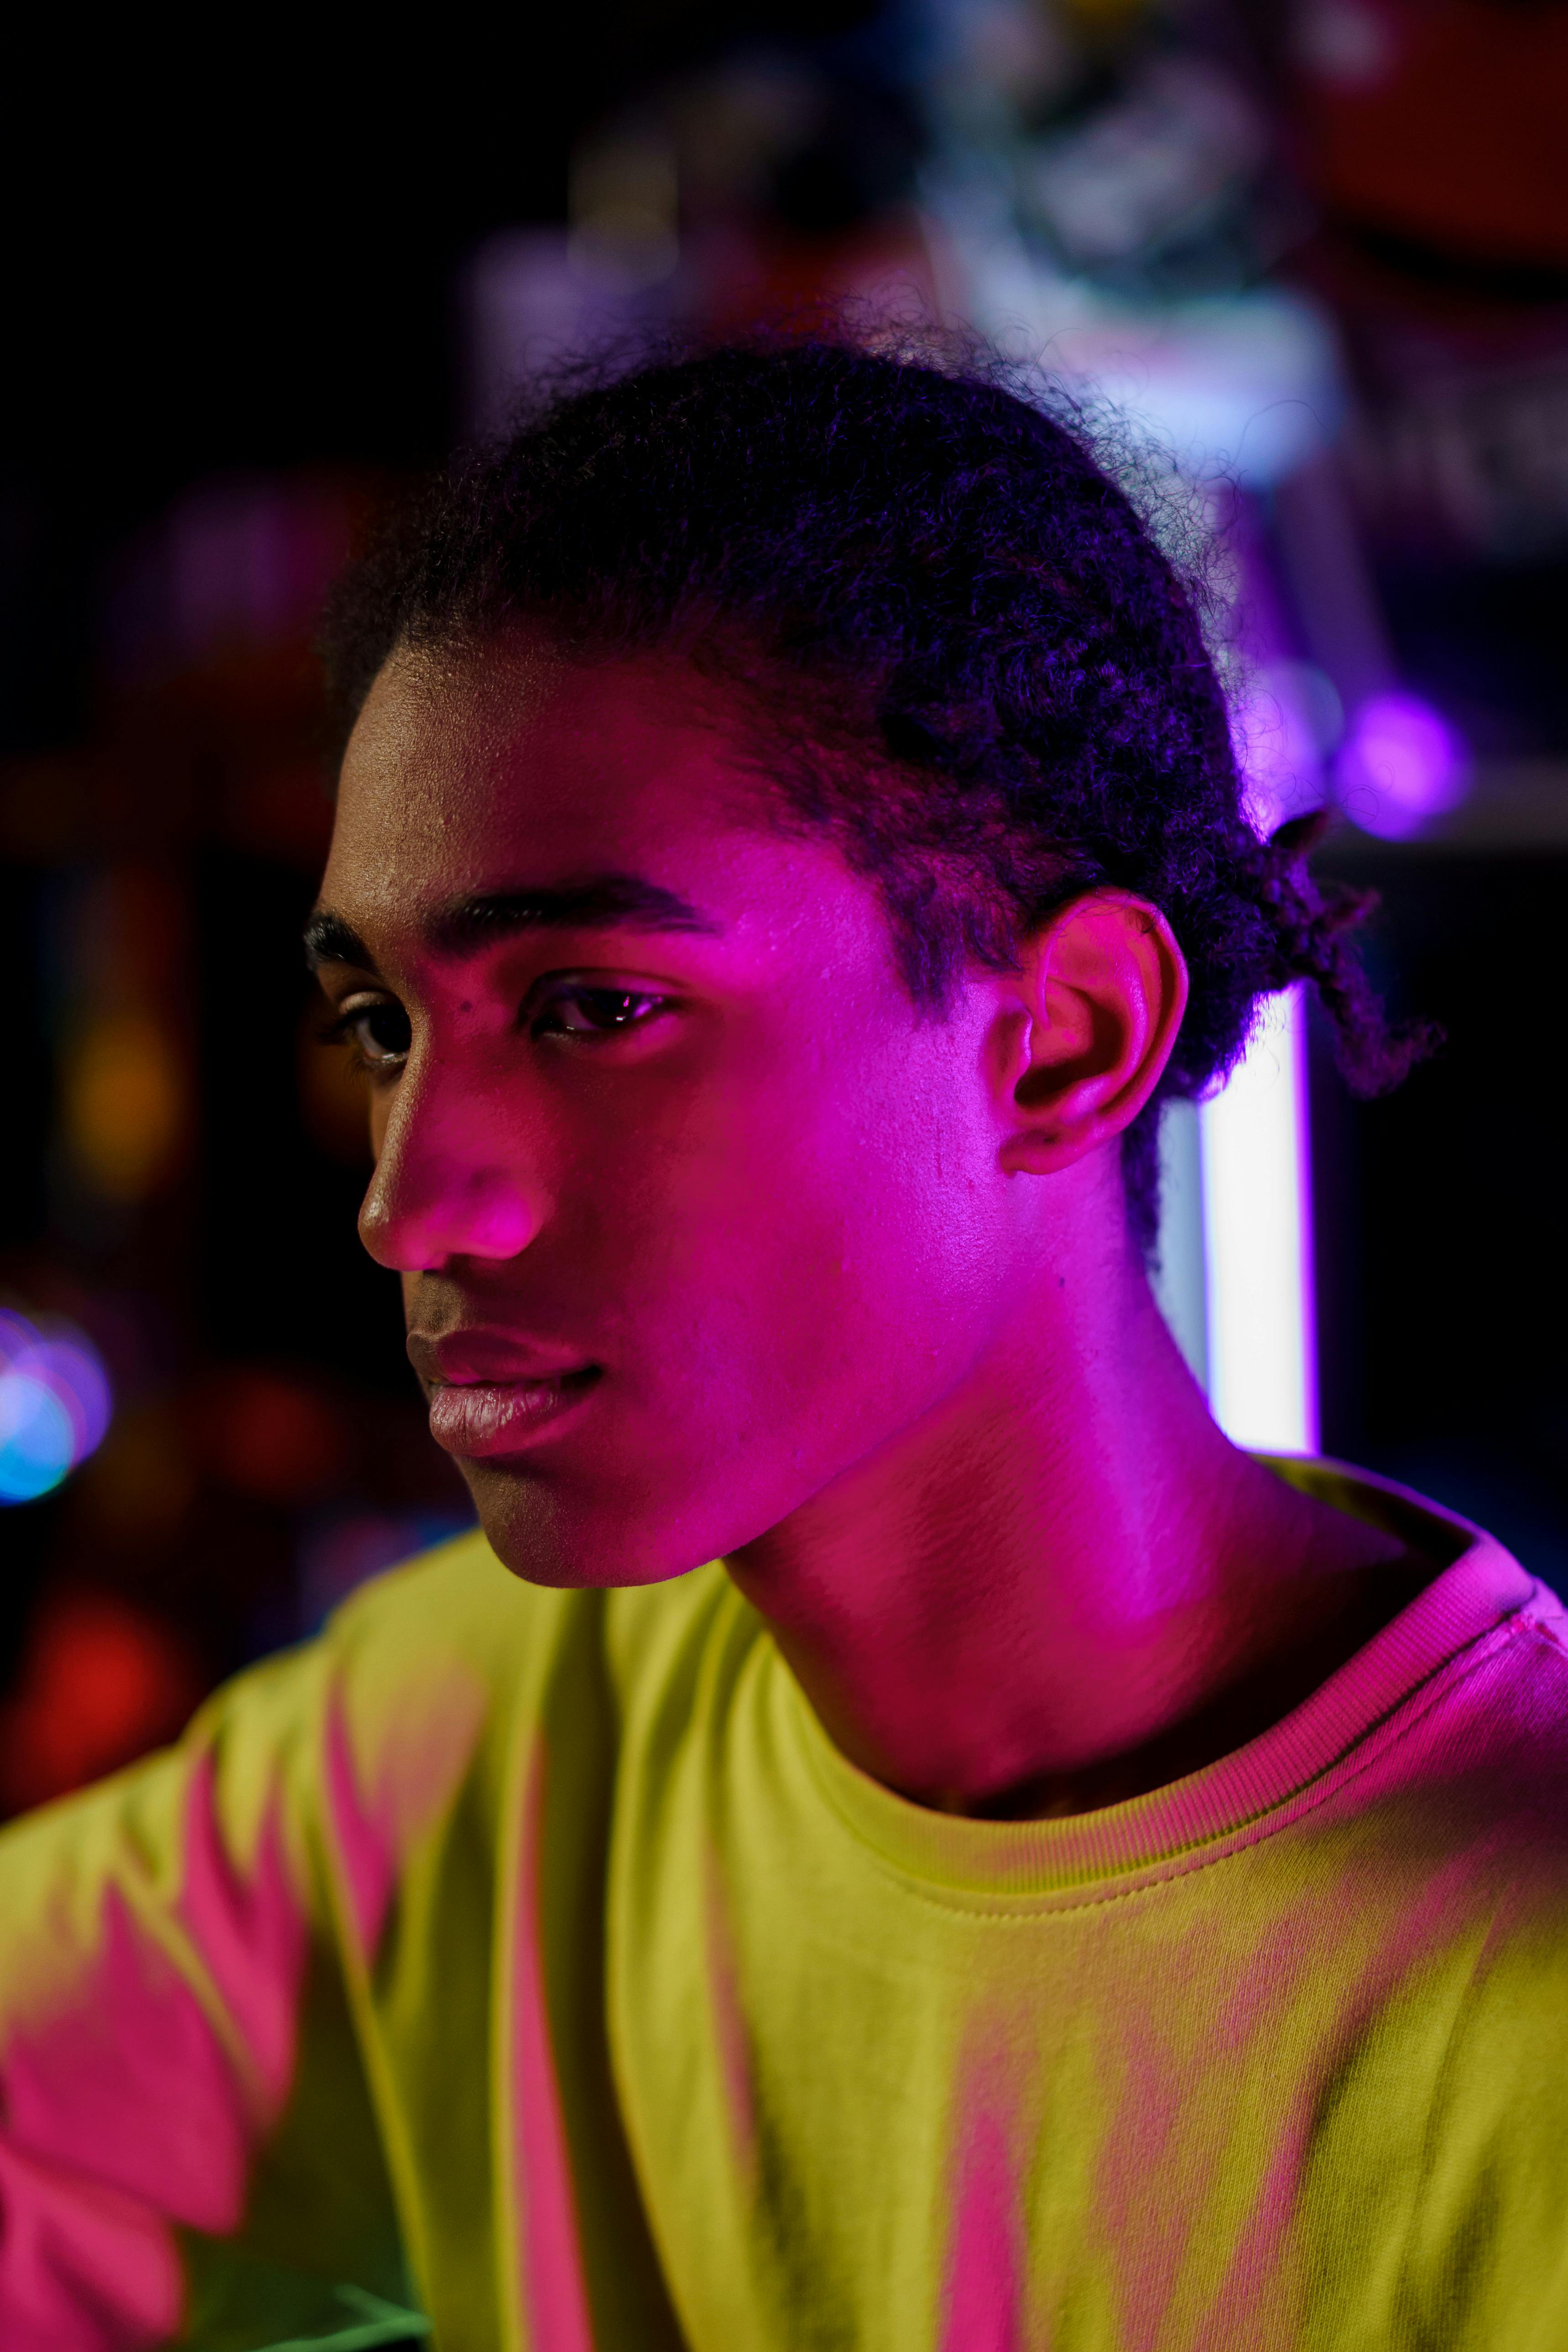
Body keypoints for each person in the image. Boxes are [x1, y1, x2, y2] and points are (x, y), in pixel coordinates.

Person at [3, 337, 1566, 2352]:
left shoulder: (1511, 2008)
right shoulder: (489, 1734)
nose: (413, 1201)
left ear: (1059, 1035)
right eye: (383, 1025)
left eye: (587, 1005)